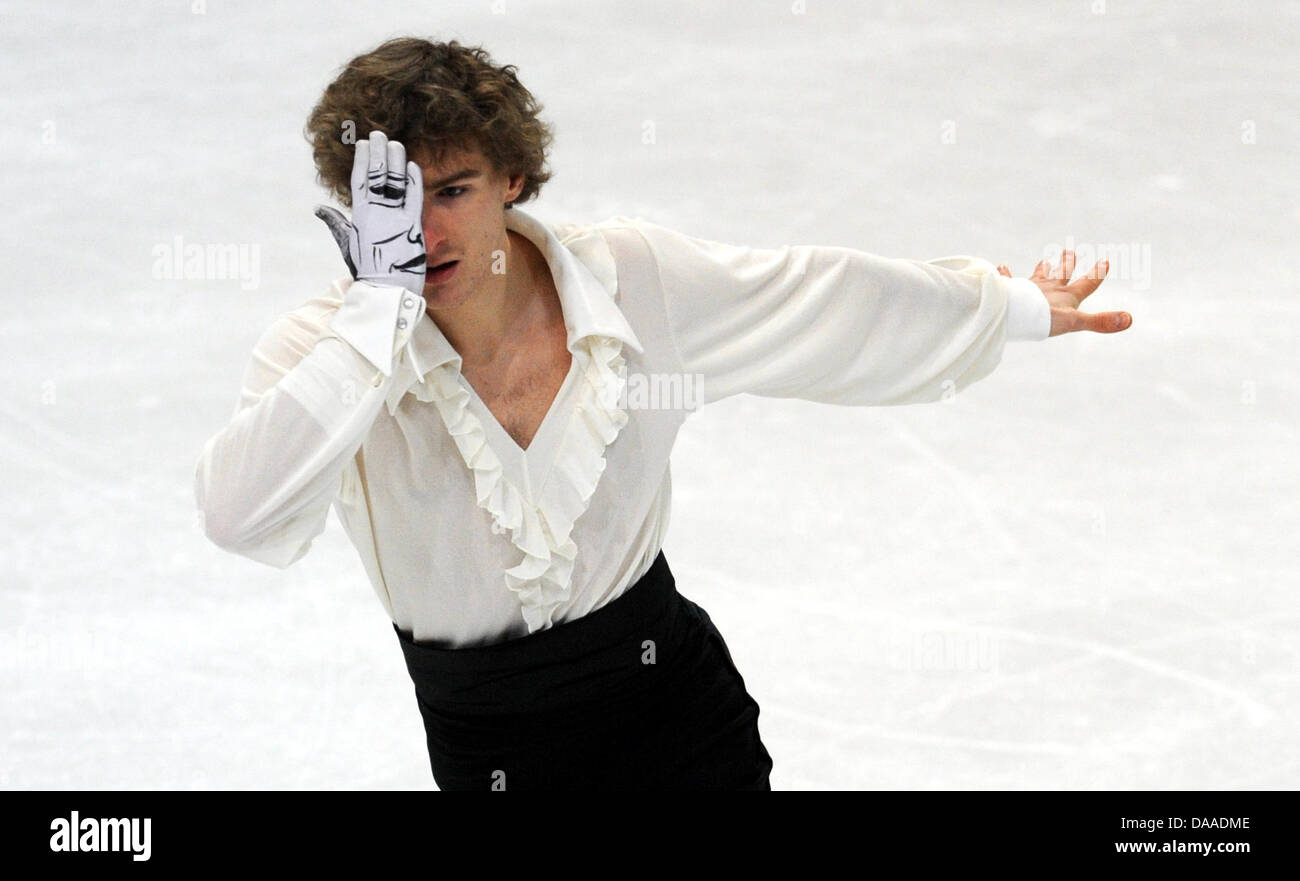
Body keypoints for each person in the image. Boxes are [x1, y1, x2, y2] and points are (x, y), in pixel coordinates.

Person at [193, 37, 1129, 791]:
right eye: (394, 198)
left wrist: (1008, 306)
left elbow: (817, 298)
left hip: (677, 723)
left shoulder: (628, 282)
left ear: (512, 178)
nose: (425, 233)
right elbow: (240, 515)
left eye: (454, 190)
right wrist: (372, 322)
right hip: (493, 754)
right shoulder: (322, 352)